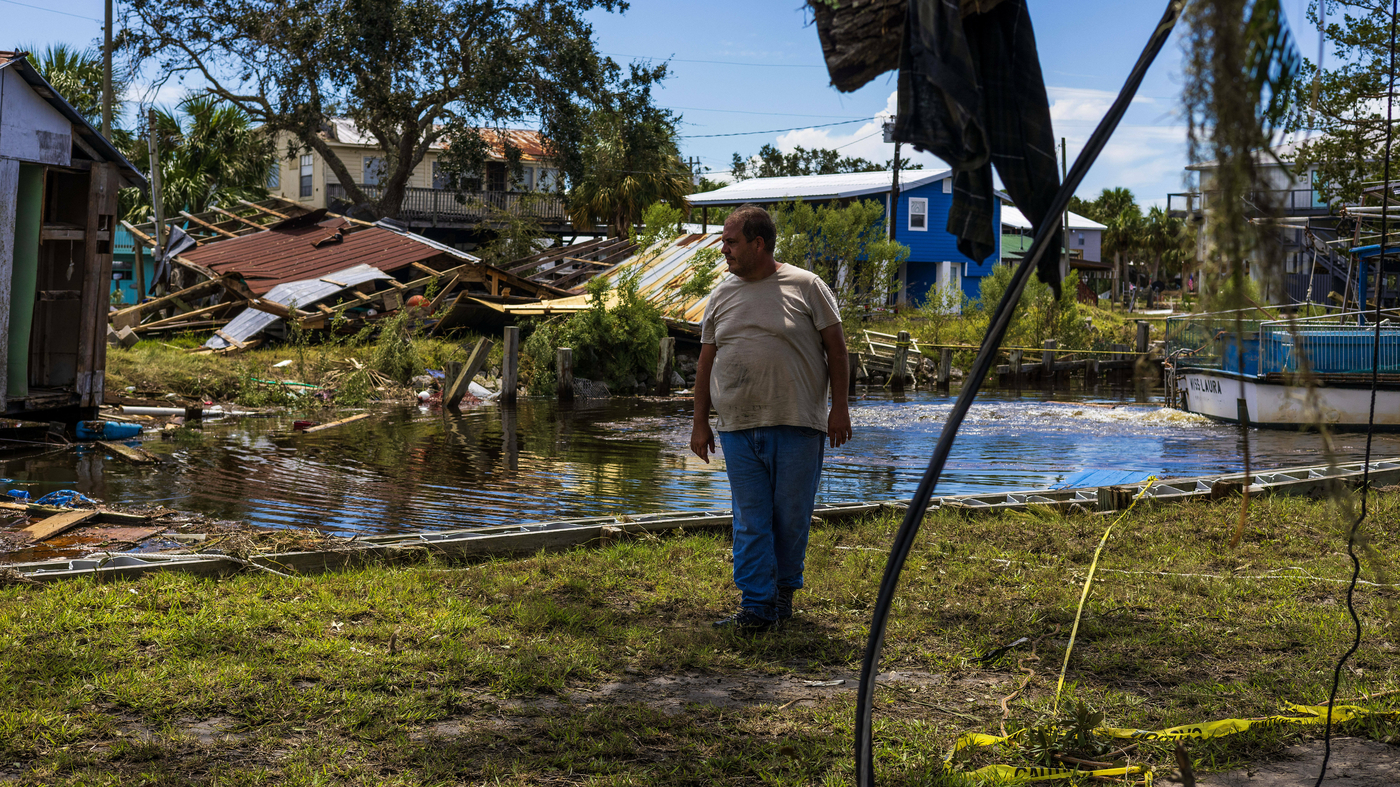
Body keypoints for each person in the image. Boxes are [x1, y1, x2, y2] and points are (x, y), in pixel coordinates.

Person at [690, 204, 852, 632]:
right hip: (737, 427)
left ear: (758, 243)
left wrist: (839, 408)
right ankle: (757, 606)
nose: (724, 249)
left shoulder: (807, 286)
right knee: (750, 518)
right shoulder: (721, 294)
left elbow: (837, 350)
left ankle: (781, 596)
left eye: (731, 242)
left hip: (797, 423)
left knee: (790, 518)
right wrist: (700, 422)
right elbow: (705, 362)